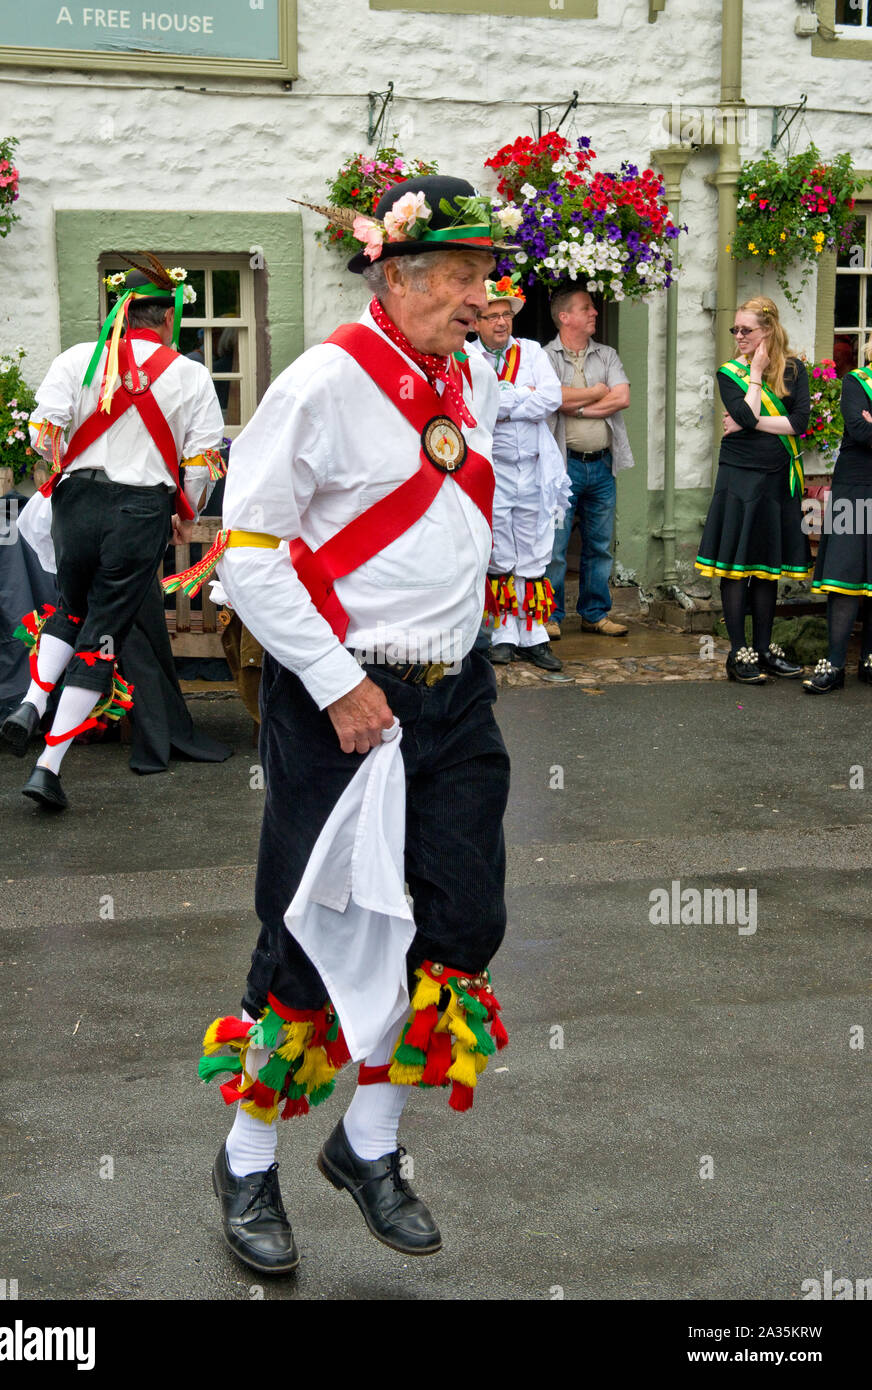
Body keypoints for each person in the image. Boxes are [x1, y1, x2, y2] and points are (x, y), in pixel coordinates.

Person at [179, 176, 512, 1274]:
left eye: (482, 274)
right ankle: (247, 1155)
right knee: (312, 937)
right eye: (461, 275)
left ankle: (367, 1145)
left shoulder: (465, 374)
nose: (481, 293)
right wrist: (333, 681)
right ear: (399, 274)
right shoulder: (323, 381)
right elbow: (252, 554)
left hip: (454, 695)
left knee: (459, 922)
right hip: (344, 704)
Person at [0, 257, 225, 807]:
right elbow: (202, 464)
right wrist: (184, 513)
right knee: (102, 634)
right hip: (139, 511)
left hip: (76, 502)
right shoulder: (191, 375)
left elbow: (42, 433)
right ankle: (48, 765)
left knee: (68, 607)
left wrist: (66, 475)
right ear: (167, 320)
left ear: (121, 313)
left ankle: (31, 701)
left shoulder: (78, 358)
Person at [695, 296, 811, 684]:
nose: (739, 336)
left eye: (747, 330)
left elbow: (798, 424)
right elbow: (742, 413)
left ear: (768, 330)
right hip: (740, 475)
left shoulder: (795, 369)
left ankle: (763, 649)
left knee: (766, 568)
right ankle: (738, 653)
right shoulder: (730, 372)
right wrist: (757, 374)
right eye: (736, 330)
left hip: (777, 475)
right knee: (736, 564)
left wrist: (750, 422)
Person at [469, 275, 570, 671]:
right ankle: (503, 633)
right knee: (500, 552)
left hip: (534, 466)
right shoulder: (467, 356)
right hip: (493, 471)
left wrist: (505, 400)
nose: (500, 322)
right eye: (492, 315)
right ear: (476, 322)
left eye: (505, 315)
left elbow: (552, 397)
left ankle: (534, 633)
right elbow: (477, 408)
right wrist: (521, 398)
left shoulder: (530, 352)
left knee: (534, 550)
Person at [543, 287, 633, 639]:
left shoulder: (606, 354)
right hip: (563, 467)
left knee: (599, 544)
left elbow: (622, 397)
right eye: (586, 307)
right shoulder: (545, 356)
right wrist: (597, 393)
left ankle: (595, 613)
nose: (595, 311)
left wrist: (578, 407)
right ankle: (550, 615)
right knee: (555, 544)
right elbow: (551, 399)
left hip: (602, 466)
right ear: (566, 317)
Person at [804, 336, 872, 692]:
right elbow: (860, 431)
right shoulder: (855, 382)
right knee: (845, 574)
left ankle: (869, 660)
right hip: (856, 487)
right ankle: (833, 665)